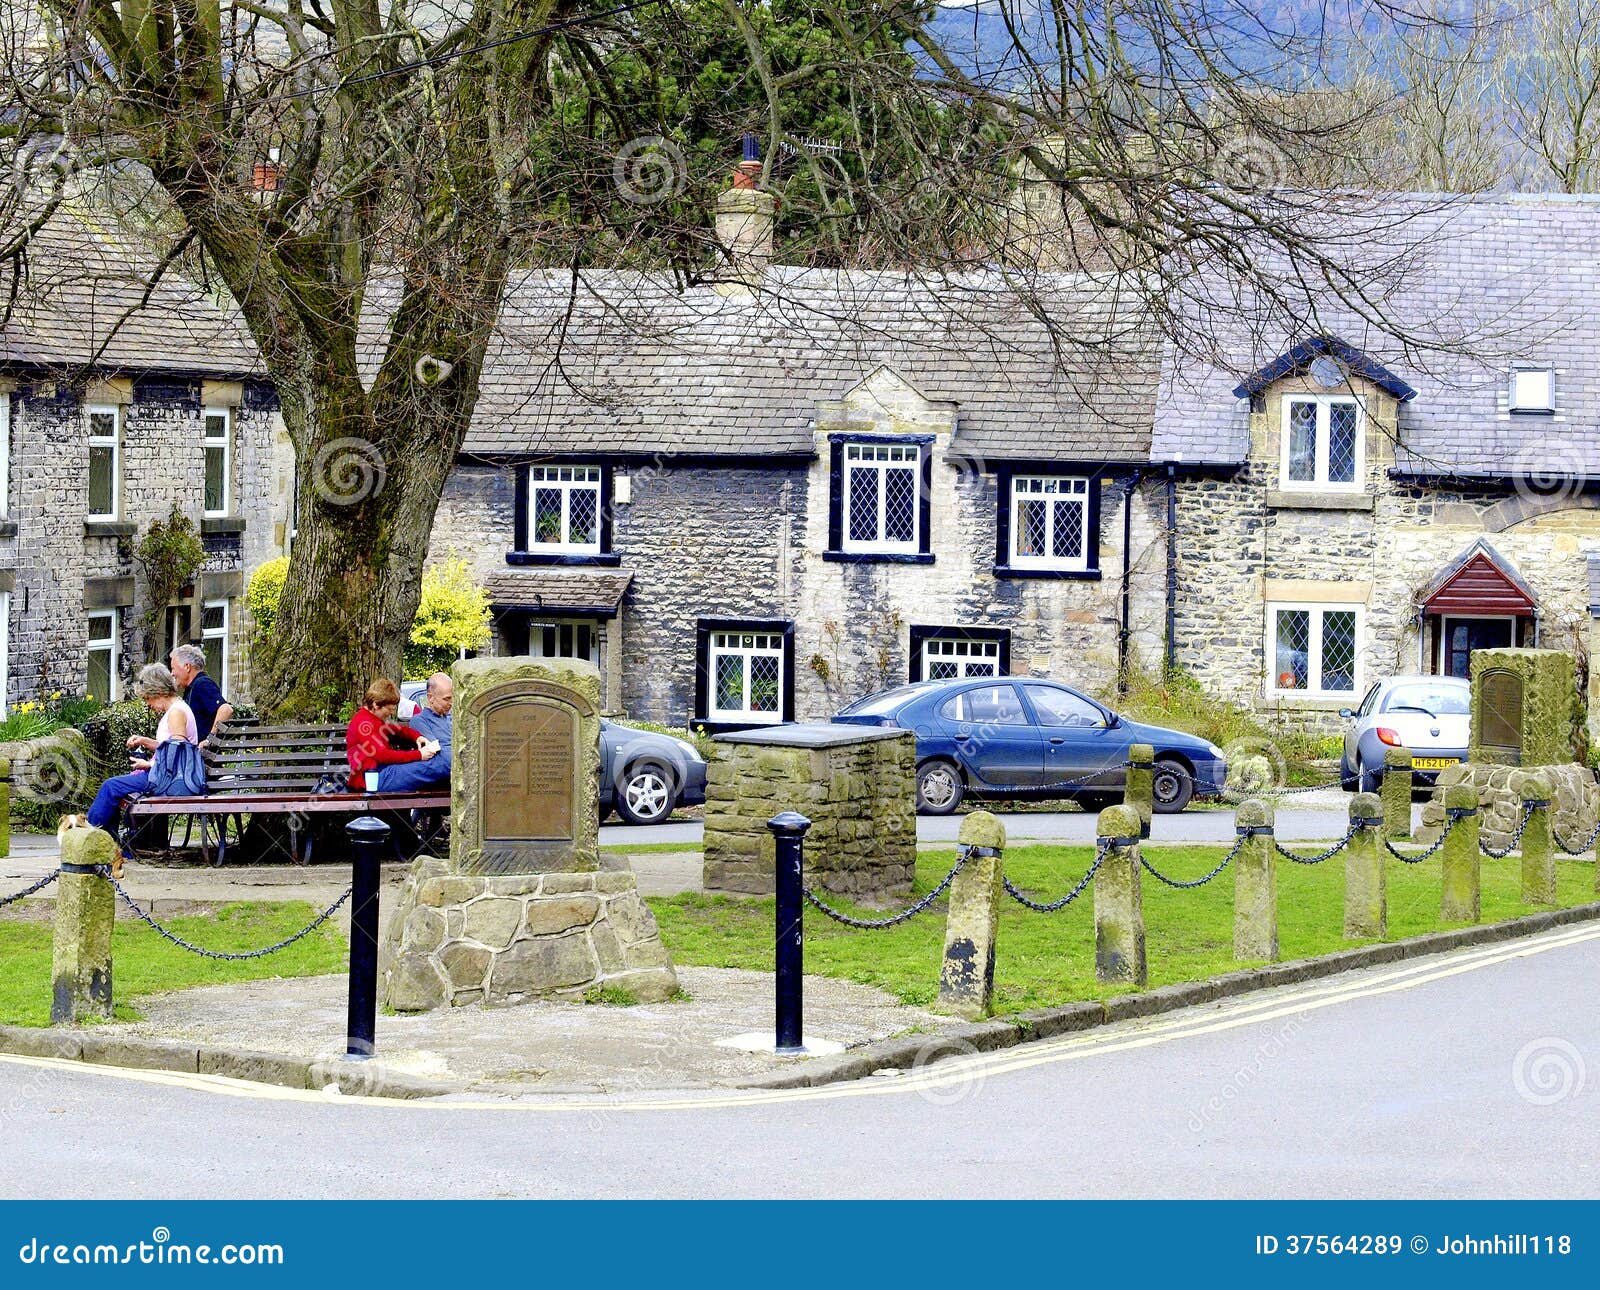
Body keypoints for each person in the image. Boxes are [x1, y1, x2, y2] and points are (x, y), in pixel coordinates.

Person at [87, 663, 197, 854]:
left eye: (148, 698)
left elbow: (178, 751)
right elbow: (169, 745)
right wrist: (146, 742)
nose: (149, 704)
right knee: (114, 788)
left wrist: (149, 763)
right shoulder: (177, 709)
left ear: (158, 692)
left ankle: (87, 837)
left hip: (168, 779)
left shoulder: (176, 713)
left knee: (110, 786)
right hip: (166, 775)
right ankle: (110, 843)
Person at [346, 677, 438, 789]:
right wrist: (419, 755)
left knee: (428, 769)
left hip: (380, 773)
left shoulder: (372, 718)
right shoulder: (364, 723)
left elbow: (396, 730)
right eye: (389, 709)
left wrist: (417, 737)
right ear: (376, 705)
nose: (391, 713)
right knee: (428, 769)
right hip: (371, 779)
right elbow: (382, 755)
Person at [377, 673, 453, 791]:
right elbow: (438, 753)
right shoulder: (420, 720)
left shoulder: (452, 719)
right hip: (438, 777)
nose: (451, 703)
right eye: (446, 699)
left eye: (452, 698)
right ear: (430, 697)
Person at [168, 643, 233, 743]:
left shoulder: (202, 684)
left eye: (173, 668)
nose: (172, 673)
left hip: (203, 755)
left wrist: (210, 740)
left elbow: (226, 710)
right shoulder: (192, 688)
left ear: (187, 667)